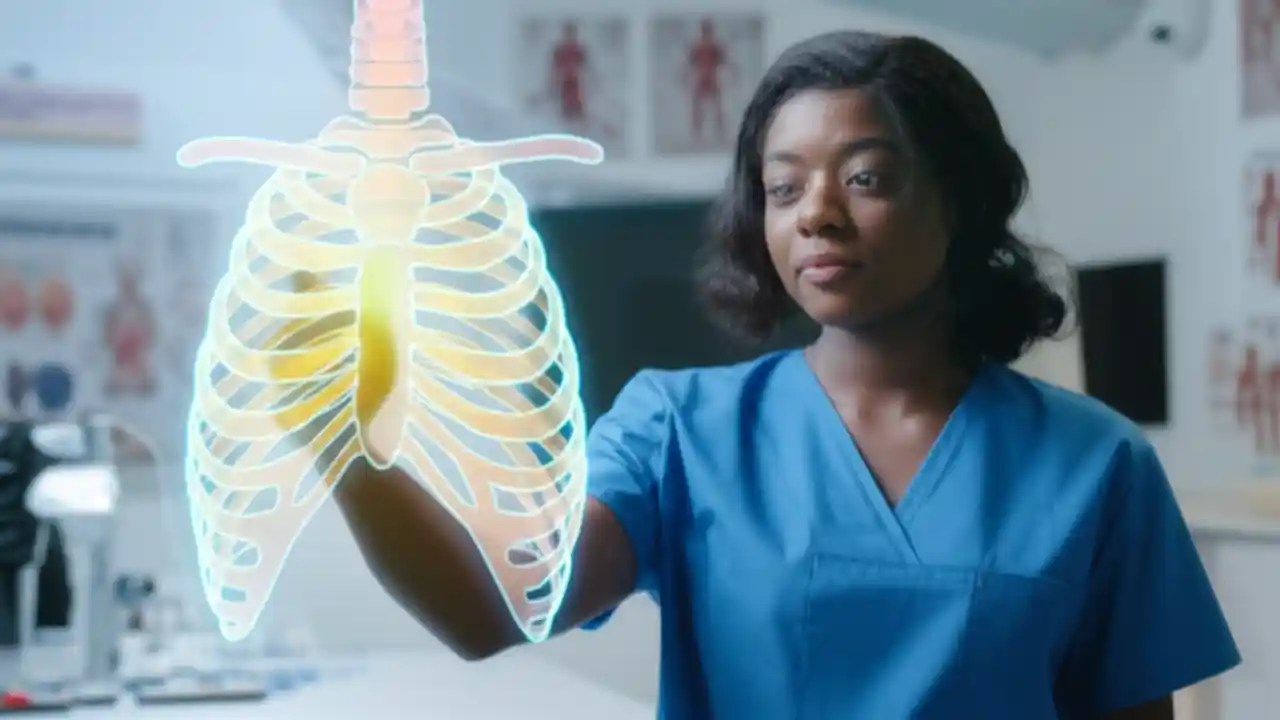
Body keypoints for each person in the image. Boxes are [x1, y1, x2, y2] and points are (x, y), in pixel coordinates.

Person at [333, 31, 1240, 718]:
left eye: (867, 178)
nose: (817, 215)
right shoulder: (680, 432)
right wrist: (345, 440)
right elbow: (492, 611)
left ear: (958, 201)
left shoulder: (1095, 465)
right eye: (783, 187)